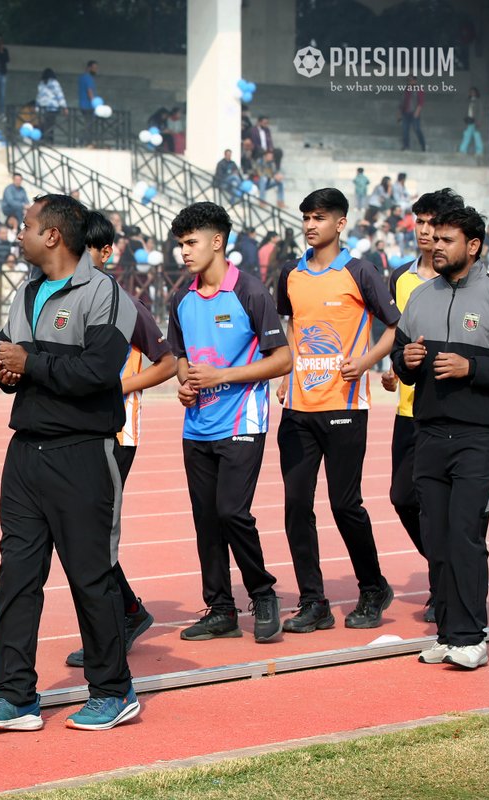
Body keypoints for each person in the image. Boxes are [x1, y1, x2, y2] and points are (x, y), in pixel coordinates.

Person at [0, 194, 141, 733]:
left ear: (54, 236)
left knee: (91, 576)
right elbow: (7, 354)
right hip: (25, 454)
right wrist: (6, 369)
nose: (17, 234)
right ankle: (15, 695)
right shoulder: (26, 292)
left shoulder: (106, 293)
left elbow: (98, 371)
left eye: (26, 226)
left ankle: (113, 690)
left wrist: (30, 363)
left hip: (83, 453)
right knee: (16, 577)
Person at [274, 188, 399, 633]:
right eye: (306, 217)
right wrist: (284, 375)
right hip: (298, 411)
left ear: (340, 223)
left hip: (345, 407)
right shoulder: (290, 273)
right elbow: (288, 327)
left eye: (320, 217)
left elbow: (394, 328)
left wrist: (365, 363)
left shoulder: (360, 271)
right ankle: (314, 602)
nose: (310, 225)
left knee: (345, 504)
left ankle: (372, 587)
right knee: (295, 506)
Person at [168, 202, 291, 643]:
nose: (183, 252)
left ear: (217, 242)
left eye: (191, 242)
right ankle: (220, 608)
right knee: (206, 519)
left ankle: (263, 593)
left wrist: (223, 375)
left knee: (231, 511)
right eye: (180, 244)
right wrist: (185, 384)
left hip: (243, 420)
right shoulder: (181, 298)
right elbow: (180, 357)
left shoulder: (251, 293)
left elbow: (284, 359)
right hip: (196, 426)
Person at [63, 211, 176, 668]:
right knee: (78, 535)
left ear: (106, 253)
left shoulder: (124, 305)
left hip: (115, 434)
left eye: (83, 252)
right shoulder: (62, 301)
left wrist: (116, 388)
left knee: (92, 537)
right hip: (73, 434)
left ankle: (115, 628)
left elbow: (166, 361)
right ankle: (127, 612)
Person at [392, 206, 489, 670]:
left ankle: (471, 637)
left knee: (464, 535)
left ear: (472, 246)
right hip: (428, 431)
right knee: (435, 536)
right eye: (432, 239)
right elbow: (398, 360)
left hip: (479, 436)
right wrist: (406, 361)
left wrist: (470, 367)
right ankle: (447, 632)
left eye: (446, 240)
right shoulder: (419, 299)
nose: (435, 246)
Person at [380, 188, 464, 624]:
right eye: (420, 222)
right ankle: (446, 570)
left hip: (454, 416)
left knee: (446, 507)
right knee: (402, 498)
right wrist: (394, 366)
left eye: (433, 223)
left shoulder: (465, 281)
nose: (425, 232)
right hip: (409, 413)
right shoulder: (400, 278)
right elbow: (399, 339)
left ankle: (445, 585)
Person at [35, 69, 68, 143]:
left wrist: (37, 108)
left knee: (44, 124)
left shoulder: (41, 83)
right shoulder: (54, 83)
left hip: (42, 107)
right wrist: (64, 107)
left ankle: (43, 139)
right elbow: (59, 95)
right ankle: (50, 140)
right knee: (50, 125)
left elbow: (38, 96)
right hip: (52, 107)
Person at [399, 77, 426, 152]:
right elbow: (402, 102)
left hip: (414, 113)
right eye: (409, 81)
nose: (410, 82)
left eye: (411, 80)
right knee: (405, 130)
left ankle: (423, 145)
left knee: (417, 129)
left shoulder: (419, 89)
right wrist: (400, 113)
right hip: (405, 113)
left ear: (415, 81)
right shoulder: (406, 90)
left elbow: (421, 102)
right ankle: (406, 146)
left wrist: (417, 111)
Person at [459, 87, 484, 156]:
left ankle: (479, 151)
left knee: (477, 137)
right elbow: (464, 112)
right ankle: (462, 150)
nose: (472, 93)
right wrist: (464, 121)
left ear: (476, 93)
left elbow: (480, 112)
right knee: (466, 136)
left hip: (475, 122)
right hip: (468, 122)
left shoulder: (478, 101)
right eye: (471, 92)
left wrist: (479, 121)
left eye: (473, 92)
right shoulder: (467, 101)